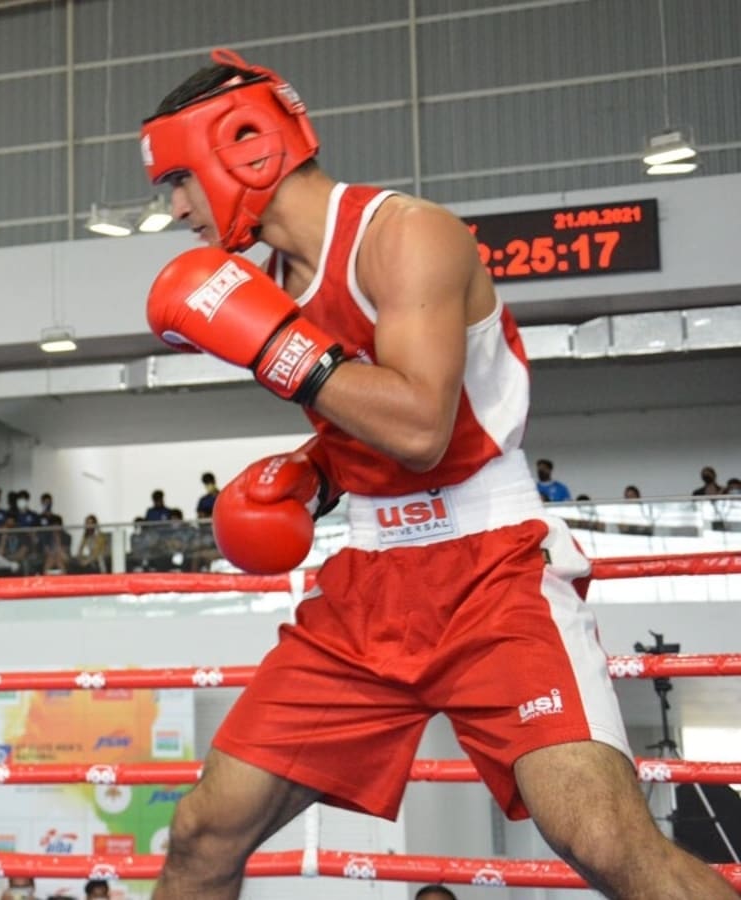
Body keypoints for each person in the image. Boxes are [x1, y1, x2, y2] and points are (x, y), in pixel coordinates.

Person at [138, 49, 736, 899]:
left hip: (490, 570)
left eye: (177, 181)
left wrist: (276, 347)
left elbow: (422, 424)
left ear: (245, 147)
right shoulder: (268, 282)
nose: (174, 209)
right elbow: (361, 418)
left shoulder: (407, 234)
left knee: (606, 842)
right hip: (367, 589)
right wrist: (314, 474)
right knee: (202, 835)